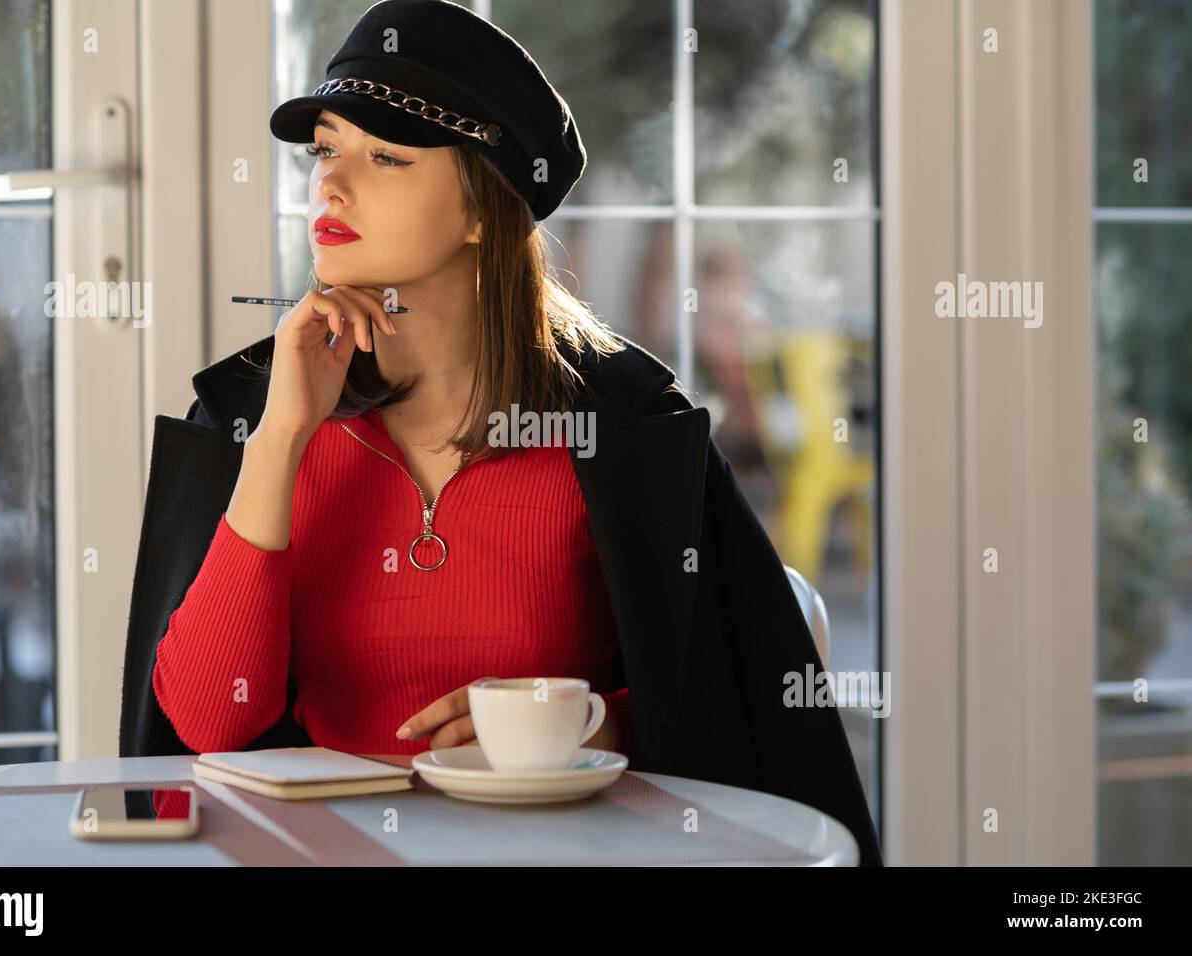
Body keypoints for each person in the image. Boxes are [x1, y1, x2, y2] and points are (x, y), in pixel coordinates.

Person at [126, 0, 883, 865]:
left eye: (386, 158)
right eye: (326, 149)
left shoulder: (622, 424)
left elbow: (720, 689)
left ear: (484, 210)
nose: (331, 184)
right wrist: (281, 437)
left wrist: (577, 723)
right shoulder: (252, 413)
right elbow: (206, 722)